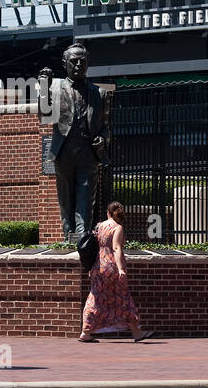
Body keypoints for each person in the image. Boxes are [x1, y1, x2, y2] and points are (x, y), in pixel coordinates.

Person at [42, 44, 110, 245]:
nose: (79, 64)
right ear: (65, 64)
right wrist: (44, 87)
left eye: (83, 60)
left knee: (86, 198)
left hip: (88, 153)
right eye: (74, 61)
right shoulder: (54, 88)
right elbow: (45, 115)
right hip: (63, 153)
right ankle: (68, 235)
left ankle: (82, 238)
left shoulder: (100, 94)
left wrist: (103, 139)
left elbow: (105, 126)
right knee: (66, 199)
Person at [78, 201, 153, 343]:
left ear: (108, 213)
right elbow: (117, 248)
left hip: (97, 266)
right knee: (123, 298)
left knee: (95, 298)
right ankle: (137, 332)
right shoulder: (117, 228)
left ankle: (85, 332)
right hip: (111, 267)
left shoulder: (100, 226)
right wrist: (120, 269)